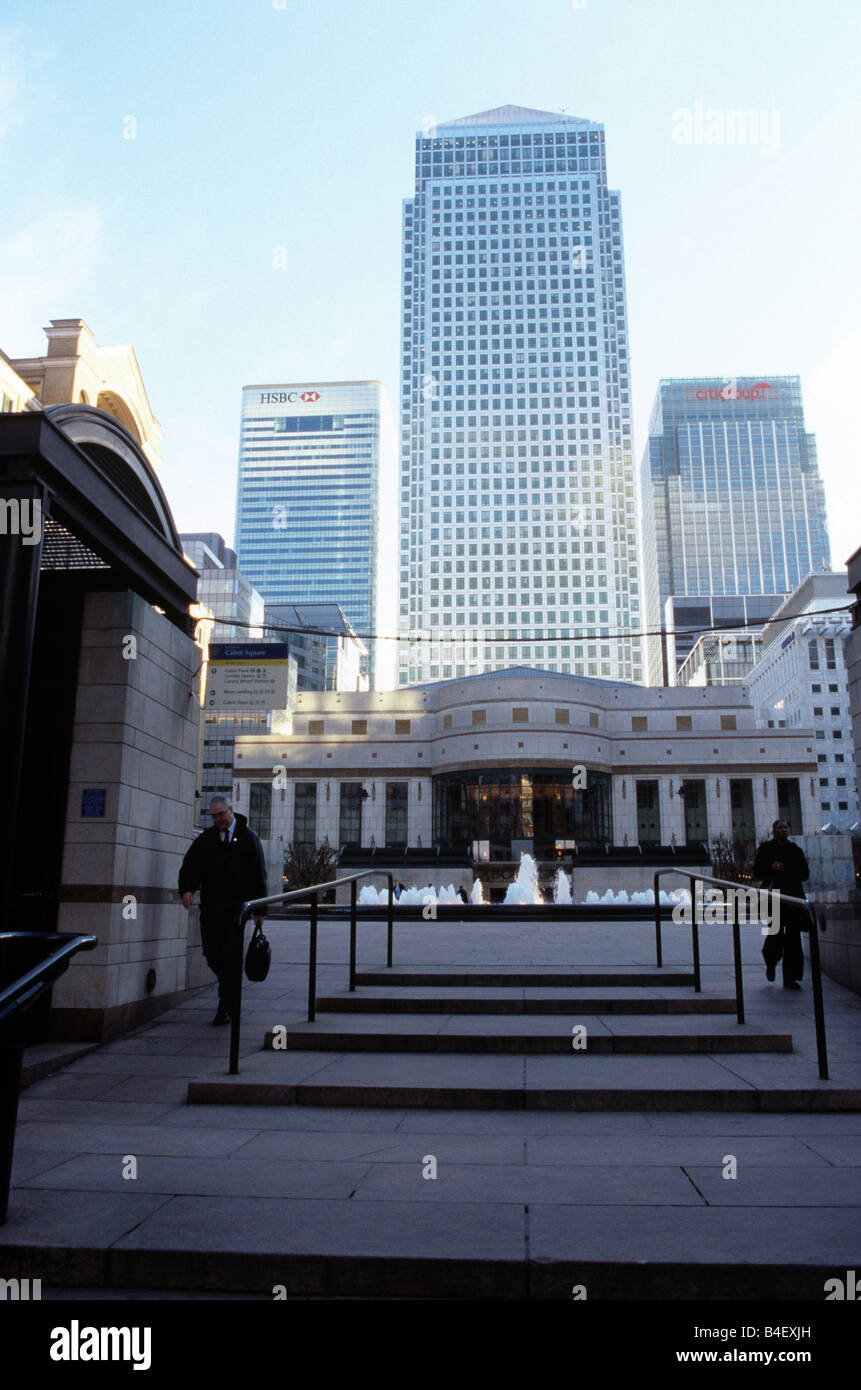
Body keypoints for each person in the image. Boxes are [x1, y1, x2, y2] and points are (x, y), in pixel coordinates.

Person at [179, 795, 268, 1024]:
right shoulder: (206, 839)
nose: (218, 819)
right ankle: (228, 994)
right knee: (211, 953)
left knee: (230, 955)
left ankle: (226, 1005)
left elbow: (258, 874)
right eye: (214, 816)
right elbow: (190, 865)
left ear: (231, 810)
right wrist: (187, 889)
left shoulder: (249, 838)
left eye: (221, 814)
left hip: (236, 910)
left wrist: (260, 910)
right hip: (211, 907)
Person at [753, 818, 810, 990]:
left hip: (792, 898)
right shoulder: (766, 849)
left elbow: (804, 873)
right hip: (774, 897)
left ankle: (791, 978)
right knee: (774, 934)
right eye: (780, 827)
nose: (783, 830)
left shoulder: (795, 850)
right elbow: (758, 871)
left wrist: (787, 869)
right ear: (774, 830)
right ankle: (771, 962)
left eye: (786, 827)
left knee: (793, 939)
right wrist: (771, 868)